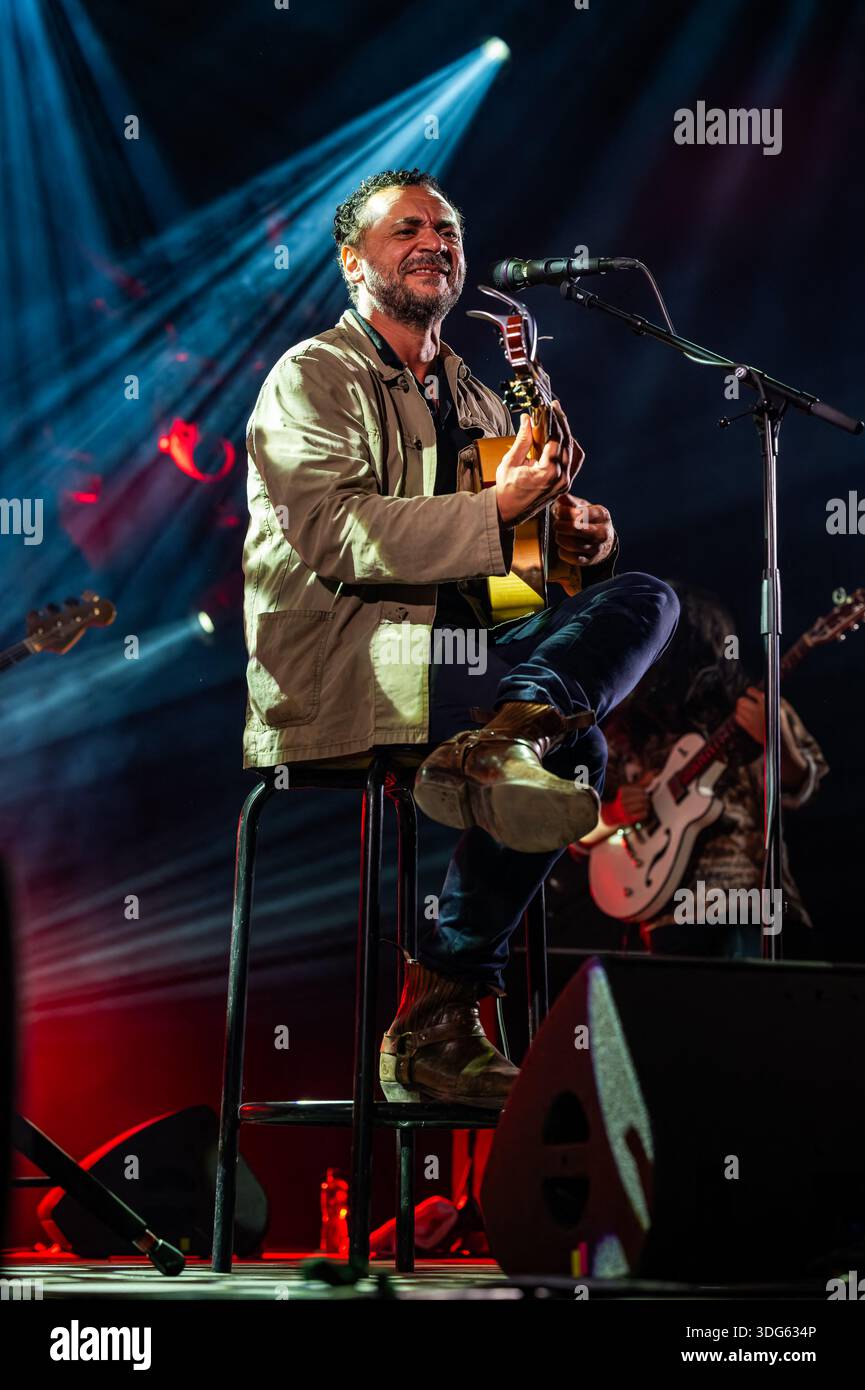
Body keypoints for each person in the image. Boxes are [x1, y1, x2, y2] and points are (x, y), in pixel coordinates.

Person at [242, 168, 678, 1106]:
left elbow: (510, 580)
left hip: (464, 656)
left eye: (445, 227)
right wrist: (495, 507)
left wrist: (569, 545)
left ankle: (506, 743)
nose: (432, 240)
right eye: (405, 229)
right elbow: (339, 533)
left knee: (645, 597)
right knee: (583, 745)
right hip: (355, 663)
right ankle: (441, 999)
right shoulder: (311, 377)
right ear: (354, 263)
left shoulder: (482, 398)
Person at [573, 581, 827, 957]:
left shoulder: (758, 706)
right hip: (670, 913)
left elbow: (805, 785)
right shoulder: (622, 735)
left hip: (756, 901)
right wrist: (614, 813)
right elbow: (576, 829)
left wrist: (776, 741)